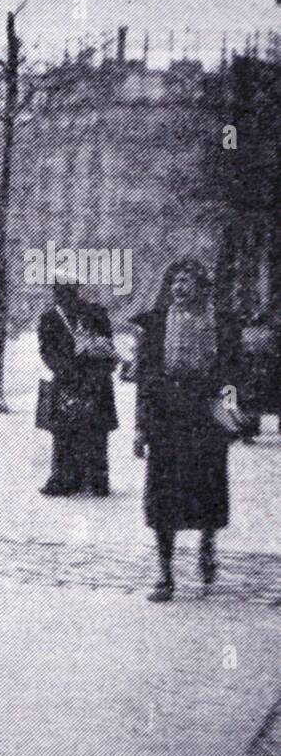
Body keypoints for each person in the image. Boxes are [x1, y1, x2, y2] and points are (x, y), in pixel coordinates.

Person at [131, 258, 241, 603]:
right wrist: (140, 427)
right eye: (175, 281)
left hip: (207, 416)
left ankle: (207, 543)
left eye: (187, 281)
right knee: (163, 494)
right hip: (167, 417)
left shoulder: (221, 325)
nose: (179, 288)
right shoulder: (156, 325)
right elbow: (145, 381)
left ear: (201, 287)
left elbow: (232, 377)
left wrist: (231, 416)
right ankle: (165, 573)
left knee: (207, 486)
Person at [37, 279, 119, 496]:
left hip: (82, 381)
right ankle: (84, 479)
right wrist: (73, 373)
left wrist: (68, 372)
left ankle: (76, 478)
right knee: (79, 432)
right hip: (83, 381)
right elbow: (48, 352)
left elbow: (47, 352)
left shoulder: (86, 314)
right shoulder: (55, 318)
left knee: (78, 432)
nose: (63, 296)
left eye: (65, 291)